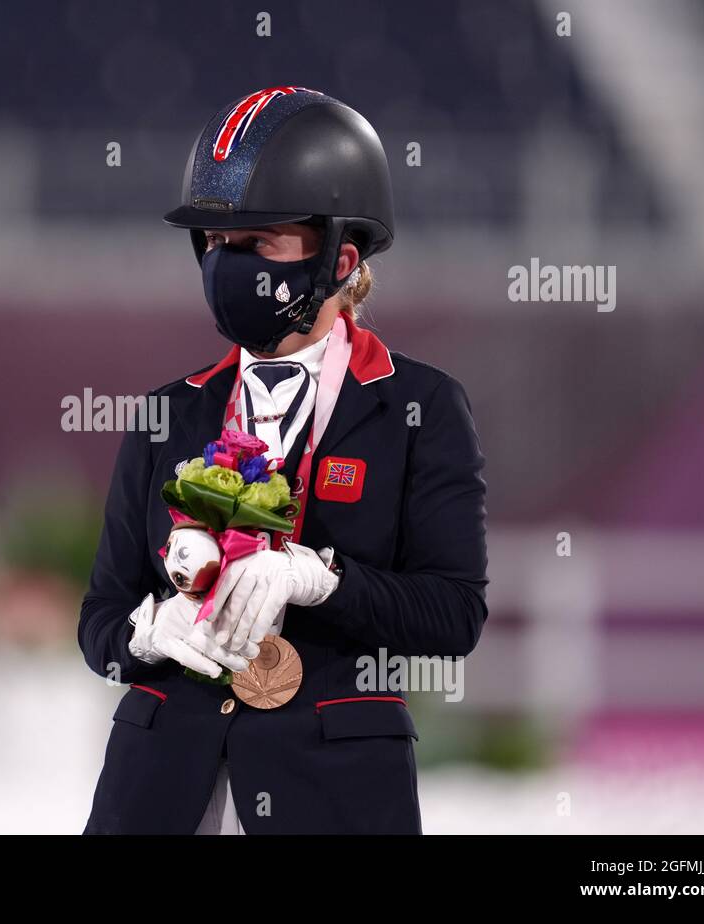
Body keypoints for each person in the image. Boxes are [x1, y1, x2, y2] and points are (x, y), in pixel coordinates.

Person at [78, 87, 488, 834]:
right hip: (158, 789)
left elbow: (455, 615)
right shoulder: (165, 412)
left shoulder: (418, 408)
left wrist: (319, 579)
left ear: (341, 257)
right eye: (215, 243)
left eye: (258, 241)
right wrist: (149, 630)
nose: (226, 263)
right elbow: (100, 621)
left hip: (332, 788)